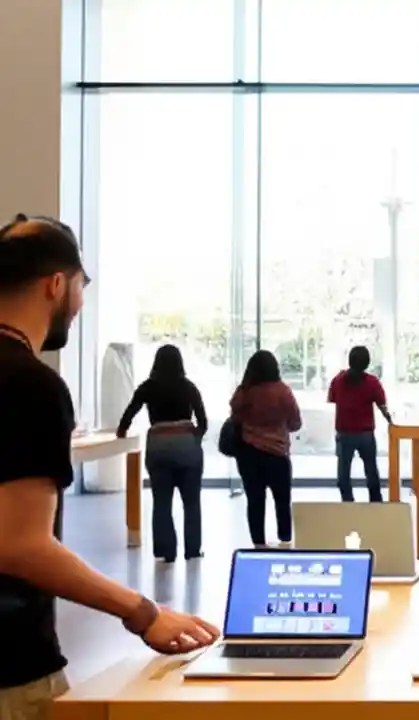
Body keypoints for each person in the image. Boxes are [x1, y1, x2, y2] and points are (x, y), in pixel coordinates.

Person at [0, 215, 217, 718]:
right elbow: (20, 544)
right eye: (81, 287)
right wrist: (143, 612)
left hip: (158, 448)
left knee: (161, 507)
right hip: (9, 667)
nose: (79, 306)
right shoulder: (30, 385)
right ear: (58, 284)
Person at [116, 345, 209, 561]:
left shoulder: (148, 387)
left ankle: (165, 552)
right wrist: (194, 437)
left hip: (158, 447)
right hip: (187, 446)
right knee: (192, 502)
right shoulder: (188, 387)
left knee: (161, 502)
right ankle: (192, 550)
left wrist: (121, 431)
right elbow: (203, 421)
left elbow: (129, 412)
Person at [230, 350, 301, 548]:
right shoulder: (283, 391)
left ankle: (258, 542)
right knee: (282, 500)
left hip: (248, 454)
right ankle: (285, 539)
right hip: (277, 454)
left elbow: (234, 416)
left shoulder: (245, 391)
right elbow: (296, 422)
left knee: (255, 500)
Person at [328, 346, 392, 503]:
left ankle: (348, 504)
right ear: (367, 363)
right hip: (365, 434)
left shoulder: (338, 380)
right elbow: (382, 406)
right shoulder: (372, 382)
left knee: (343, 474)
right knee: (371, 471)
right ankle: (376, 504)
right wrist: (390, 420)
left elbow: (333, 399)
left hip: (344, 433)